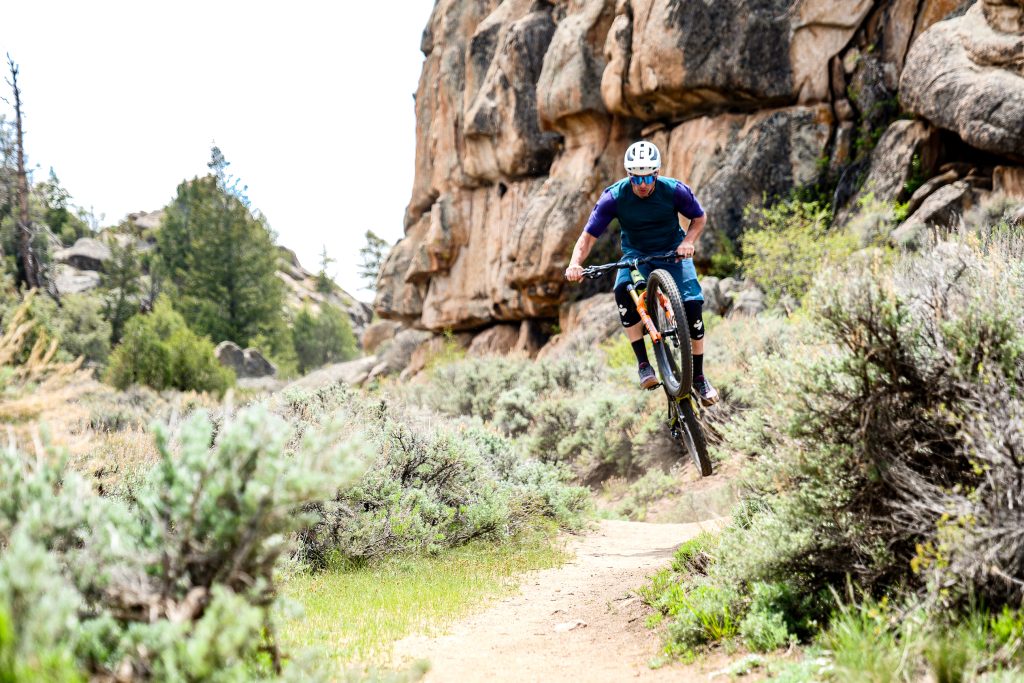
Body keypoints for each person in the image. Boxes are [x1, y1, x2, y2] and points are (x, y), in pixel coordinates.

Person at [564, 140, 719, 404]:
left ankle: (700, 378)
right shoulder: (614, 197)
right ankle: (644, 364)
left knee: (693, 304)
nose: (643, 184)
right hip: (636, 256)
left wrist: (688, 241)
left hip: (673, 251)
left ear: (656, 174)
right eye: (636, 178)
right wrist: (574, 263)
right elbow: (588, 237)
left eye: (648, 177)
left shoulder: (674, 191)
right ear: (629, 176)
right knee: (623, 291)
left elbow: (699, 218)